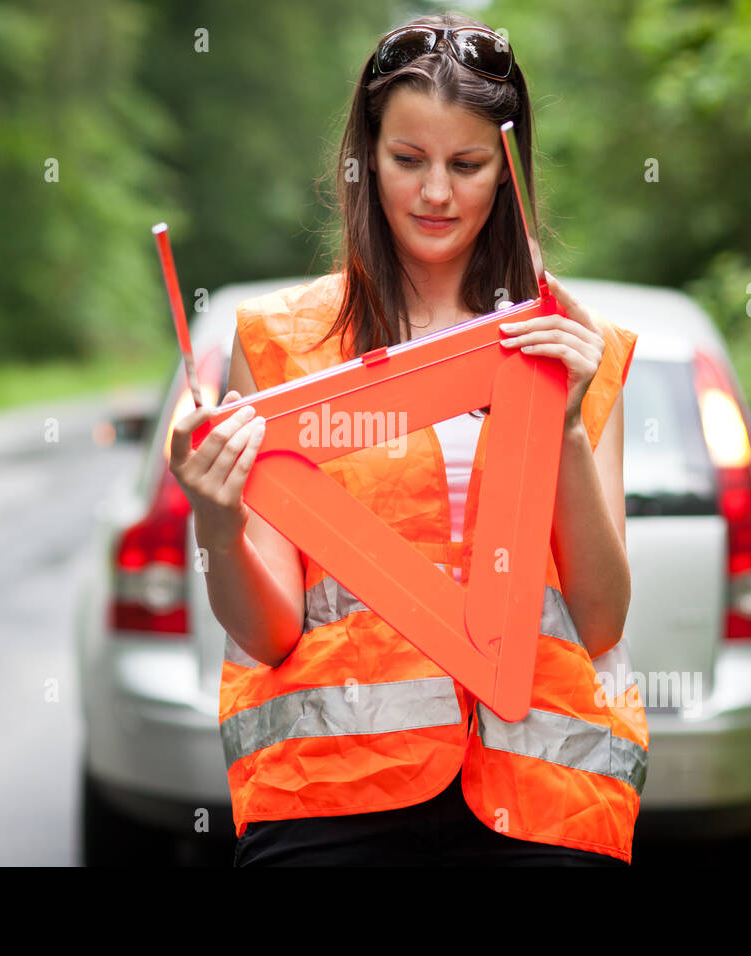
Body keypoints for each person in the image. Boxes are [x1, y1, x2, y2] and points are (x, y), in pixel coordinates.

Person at [168, 11, 645, 866]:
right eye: (407, 161)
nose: (436, 194)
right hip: (329, 802)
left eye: (467, 165)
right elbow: (271, 633)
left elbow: (602, 617)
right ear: (363, 160)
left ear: (508, 168)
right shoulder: (282, 341)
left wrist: (566, 426)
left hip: (544, 804)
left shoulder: (574, 343)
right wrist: (215, 522)